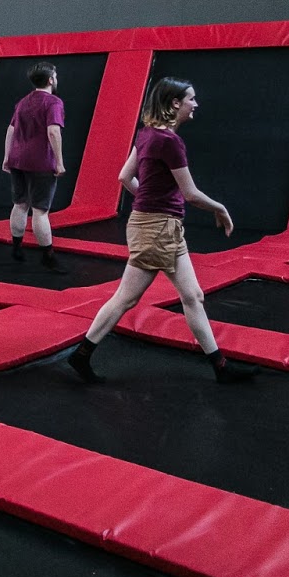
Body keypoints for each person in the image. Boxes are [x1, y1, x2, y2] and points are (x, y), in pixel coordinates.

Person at [68, 77, 253, 384]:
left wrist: (148, 201)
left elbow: (125, 177)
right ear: (175, 103)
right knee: (126, 299)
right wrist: (220, 208)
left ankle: (221, 367)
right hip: (157, 228)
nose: (196, 104)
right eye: (191, 99)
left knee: (192, 295)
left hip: (157, 225)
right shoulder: (169, 142)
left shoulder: (147, 134)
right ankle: (82, 353)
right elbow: (190, 193)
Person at [2, 61, 66, 272]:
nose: (56, 79)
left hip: (18, 159)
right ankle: (47, 256)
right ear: (50, 80)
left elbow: (10, 130)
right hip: (41, 162)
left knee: (20, 204)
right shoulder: (53, 102)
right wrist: (59, 161)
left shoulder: (22, 102)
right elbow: (53, 132)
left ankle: (17, 249)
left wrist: (6, 157)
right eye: (55, 76)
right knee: (40, 211)